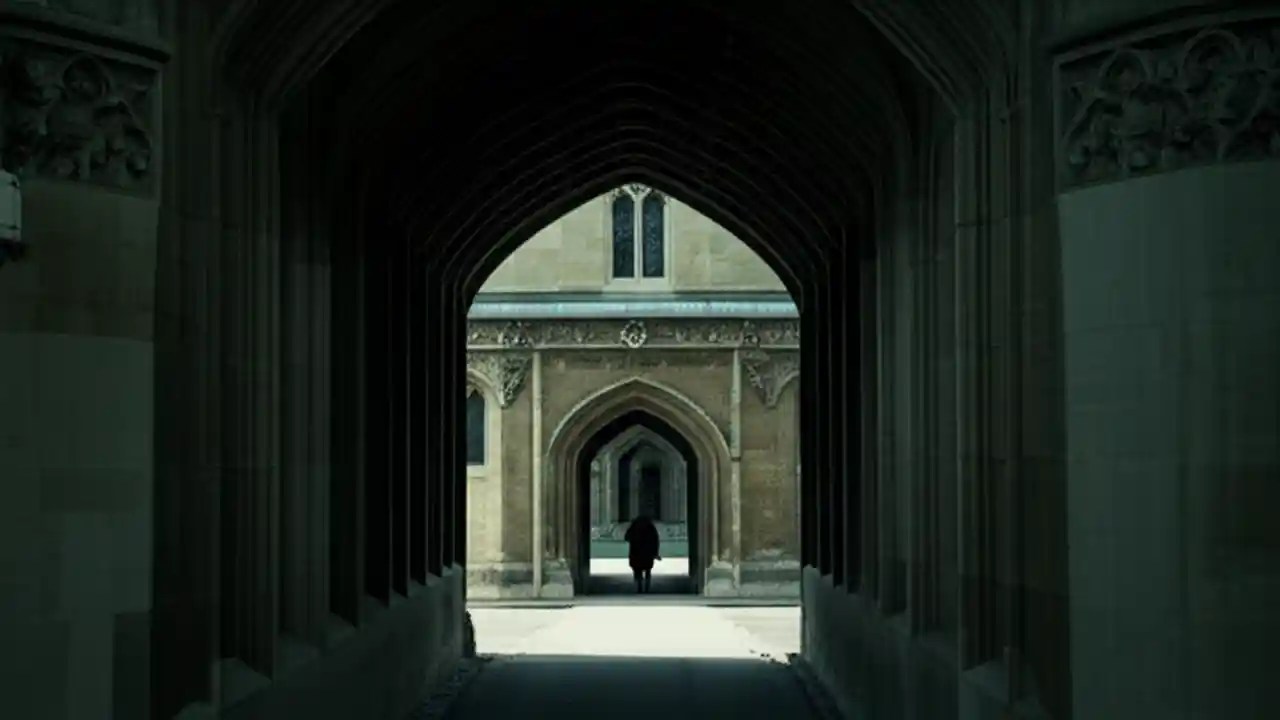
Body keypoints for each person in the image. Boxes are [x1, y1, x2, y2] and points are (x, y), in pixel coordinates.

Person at [623, 514, 661, 593]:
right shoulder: (650, 527)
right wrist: (655, 553)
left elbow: (626, 537)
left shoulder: (634, 526)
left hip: (636, 552)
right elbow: (655, 540)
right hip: (647, 553)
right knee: (647, 570)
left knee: (637, 570)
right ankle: (647, 587)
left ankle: (639, 587)